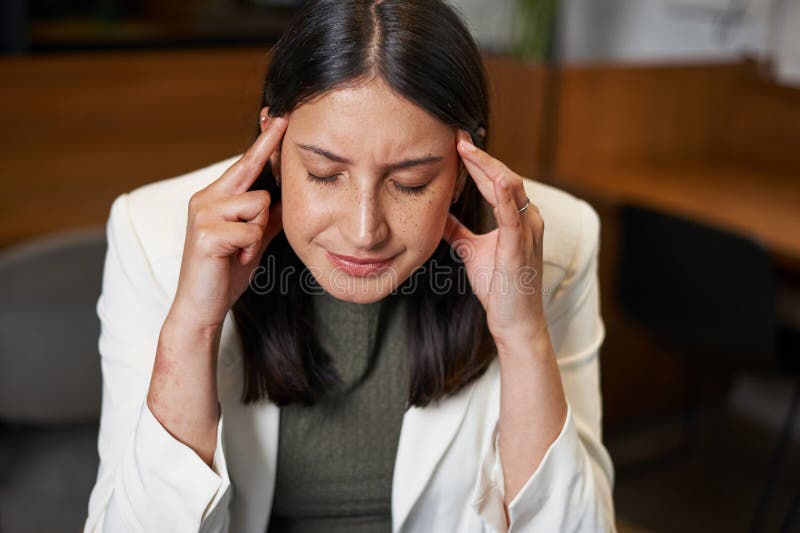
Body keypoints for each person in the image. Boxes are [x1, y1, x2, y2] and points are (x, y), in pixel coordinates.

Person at [83, 0, 616, 531]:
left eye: (410, 183)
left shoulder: (555, 244)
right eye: (324, 173)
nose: (365, 232)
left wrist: (522, 336)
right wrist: (193, 326)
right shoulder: (153, 237)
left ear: (460, 170)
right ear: (273, 147)